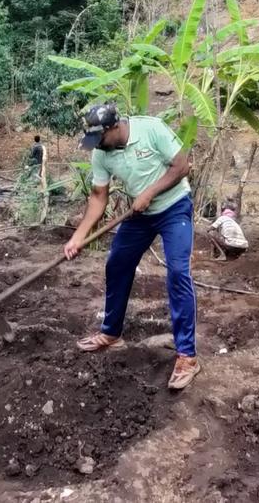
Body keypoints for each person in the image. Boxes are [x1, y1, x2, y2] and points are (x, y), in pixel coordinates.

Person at [64, 104, 200, 389]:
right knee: (117, 264)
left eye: (99, 138)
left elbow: (181, 165)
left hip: (174, 208)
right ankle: (111, 333)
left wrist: (150, 192)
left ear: (114, 128)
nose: (96, 146)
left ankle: (187, 356)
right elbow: (98, 197)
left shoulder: (151, 128)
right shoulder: (102, 153)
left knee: (177, 273)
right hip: (140, 215)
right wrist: (79, 236)